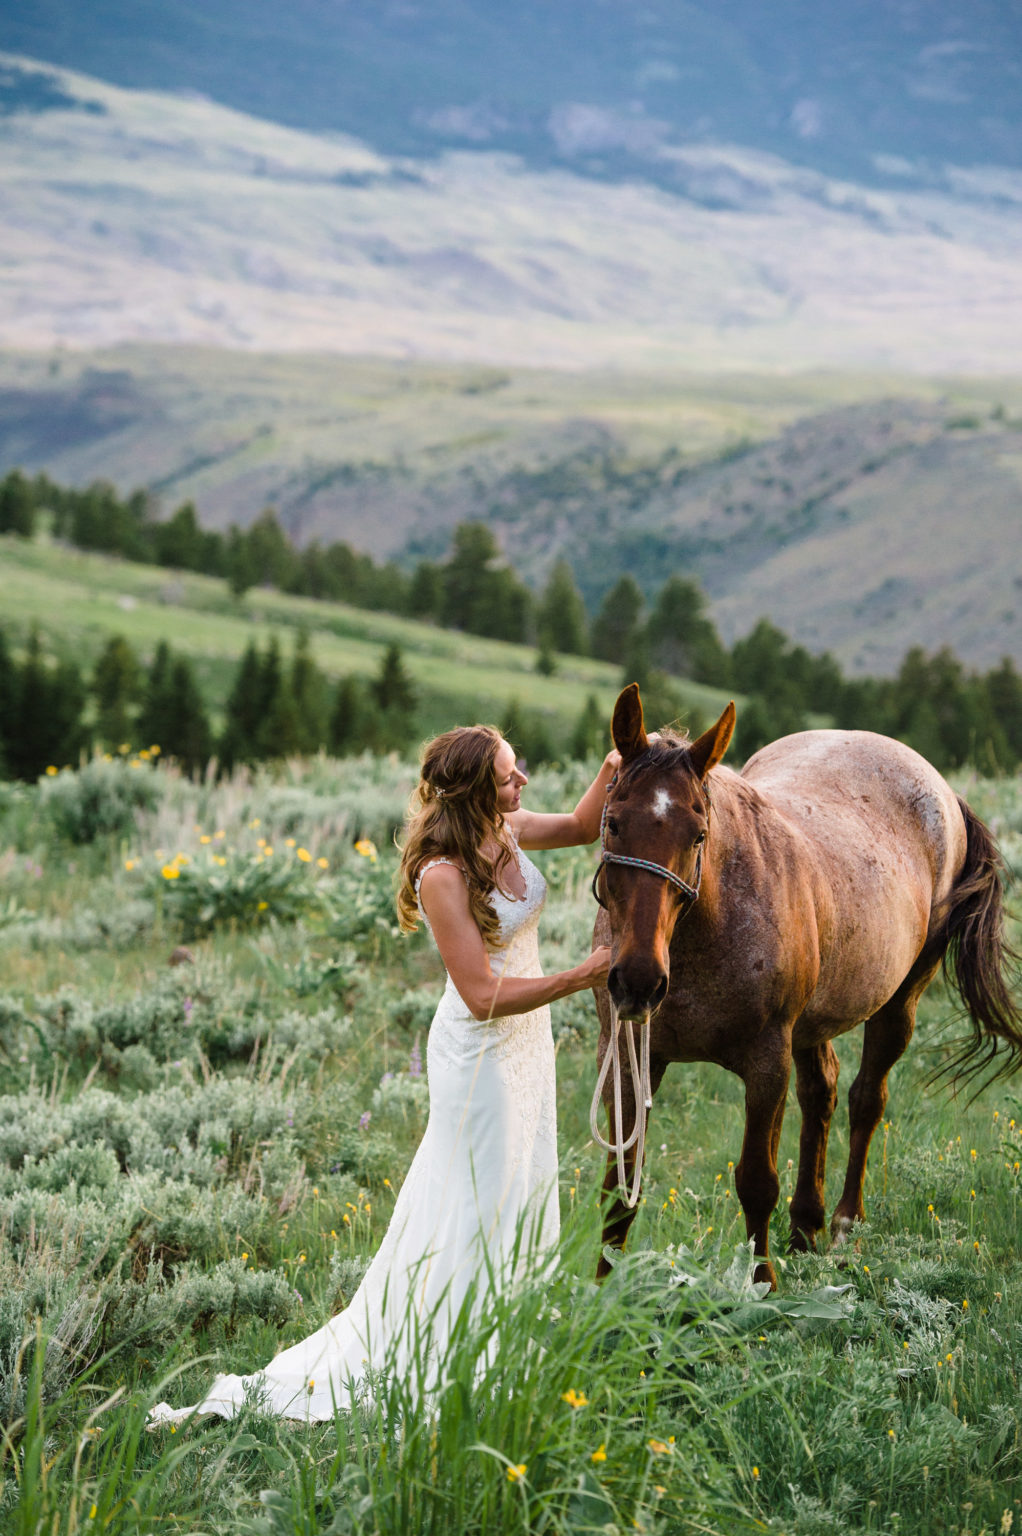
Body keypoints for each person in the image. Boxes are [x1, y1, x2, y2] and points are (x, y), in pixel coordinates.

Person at [148, 724, 617, 1426]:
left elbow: (584, 825)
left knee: (522, 1183)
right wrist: (580, 976)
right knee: (478, 1200)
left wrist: (619, 761)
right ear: (472, 789)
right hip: (481, 1052)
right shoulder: (442, 875)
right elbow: (482, 994)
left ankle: (505, 1343)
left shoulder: (509, 827)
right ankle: (456, 1357)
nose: (522, 785)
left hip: (527, 1043)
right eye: (508, 776)